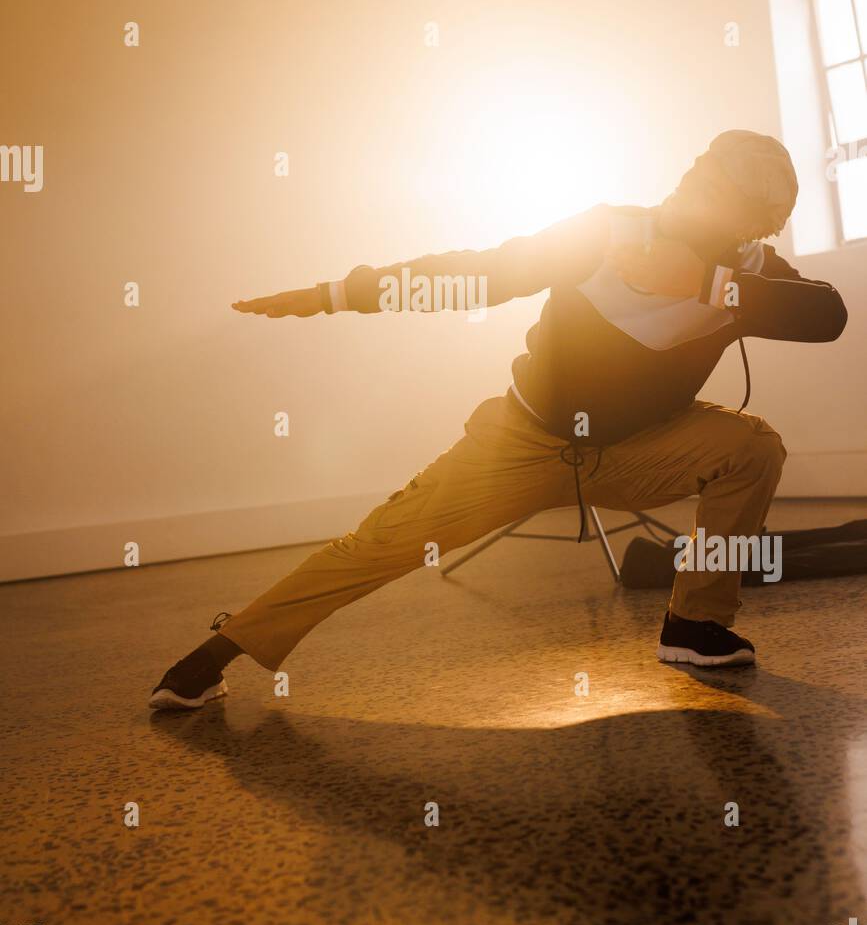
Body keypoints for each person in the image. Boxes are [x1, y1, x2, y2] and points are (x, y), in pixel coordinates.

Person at [149, 130, 847, 709]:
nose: (692, 201)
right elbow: (479, 274)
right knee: (377, 544)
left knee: (750, 448)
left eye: (723, 201)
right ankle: (219, 651)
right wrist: (335, 293)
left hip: (639, 450)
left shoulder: (750, 270)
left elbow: (827, 314)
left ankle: (694, 624)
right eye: (698, 182)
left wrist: (706, 283)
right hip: (521, 444)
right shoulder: (609, 232)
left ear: (751, 222)